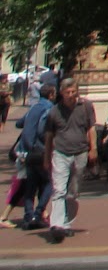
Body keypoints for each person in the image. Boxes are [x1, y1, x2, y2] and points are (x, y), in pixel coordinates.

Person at [41, 76, 98, 243]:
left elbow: (91, 128)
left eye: (74, 91)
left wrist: (93, 148)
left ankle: (66, 223)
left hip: (80, 152)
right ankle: (57, 226)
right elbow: (49, 136)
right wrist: (46, 157)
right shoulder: (54, 111)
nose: (71, 95)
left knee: (73, 192)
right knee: (59, 189)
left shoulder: (86, 106)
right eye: (68, 92)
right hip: (60, 153)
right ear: (61, 93)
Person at [11, 74, 54, 230]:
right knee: (49, 182)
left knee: (31, 185)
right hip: (40, 150)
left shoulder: (34, 107)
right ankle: (38, 213)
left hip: (25, 152)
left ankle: (28, 217)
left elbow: (19, 123)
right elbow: (44, 130)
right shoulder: (48, 108)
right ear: (51, 95)